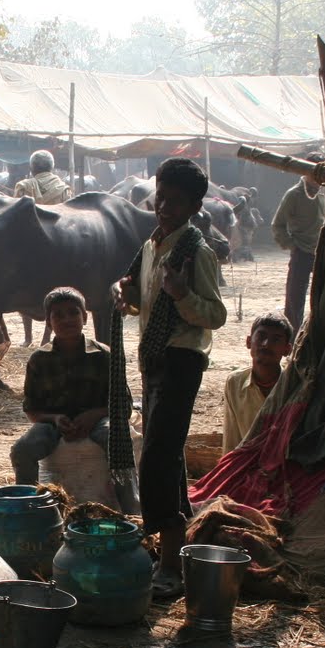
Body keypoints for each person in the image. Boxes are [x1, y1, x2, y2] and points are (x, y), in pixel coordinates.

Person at [113, 157, 227, 599]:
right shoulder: (151, 246)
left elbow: (213, 315)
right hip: (154, 358)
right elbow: (144, 302)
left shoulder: (197, 251)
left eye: (175, 201)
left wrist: (181, 294)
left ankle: (169, 558)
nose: (164, 206)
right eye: (161, 197)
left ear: (195, 206)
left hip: (182, 361)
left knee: (157, 457)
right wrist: (128, 298)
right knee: (167, 451)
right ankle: (176, 550)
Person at [10, 287, 132, 509]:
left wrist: (93, 415)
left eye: (73, 312)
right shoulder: (39, 359)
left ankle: (131, 509)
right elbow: (31, 410)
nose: (67, 319)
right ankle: (27, 510)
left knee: (115, 439)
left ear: (85, 317)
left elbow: (124, 405)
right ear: (48, 322)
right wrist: (55, 419)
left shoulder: (104, 355)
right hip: (54, 424)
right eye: (58, 315)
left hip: (99, 420)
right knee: (22, 450)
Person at [220, 311, 295, 453]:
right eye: (261, 336)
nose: (266, 344)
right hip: (246, 463)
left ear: (287, 349)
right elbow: (232, 440)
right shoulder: (235, 383)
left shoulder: (293, 385)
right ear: (249, 342)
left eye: (276, 339)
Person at [271, 152, 325, 332]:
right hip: (301, 252)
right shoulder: (294, 195)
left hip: (321, 252)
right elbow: (278, 224)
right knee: (295, 299)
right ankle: (291, 338)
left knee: (323, 295)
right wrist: (291, 245)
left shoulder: (324, 193)